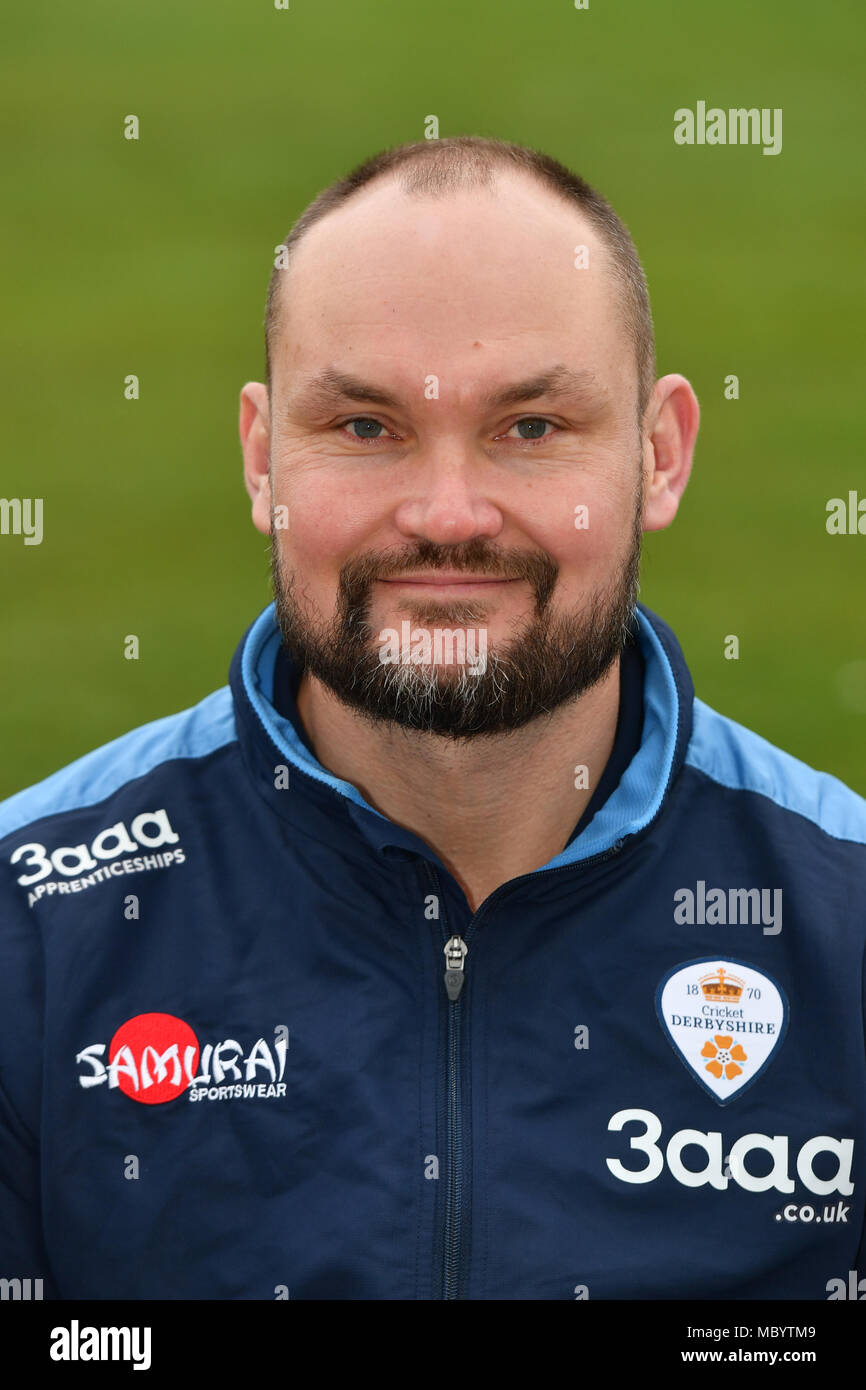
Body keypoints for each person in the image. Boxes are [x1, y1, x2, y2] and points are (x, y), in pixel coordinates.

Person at [1, 136, 863, 1301]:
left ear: (657, 457)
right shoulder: (33, 929)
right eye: (365, 427)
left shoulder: (842, 930)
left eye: (531, 427)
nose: (446, 517)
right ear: (261, 460)